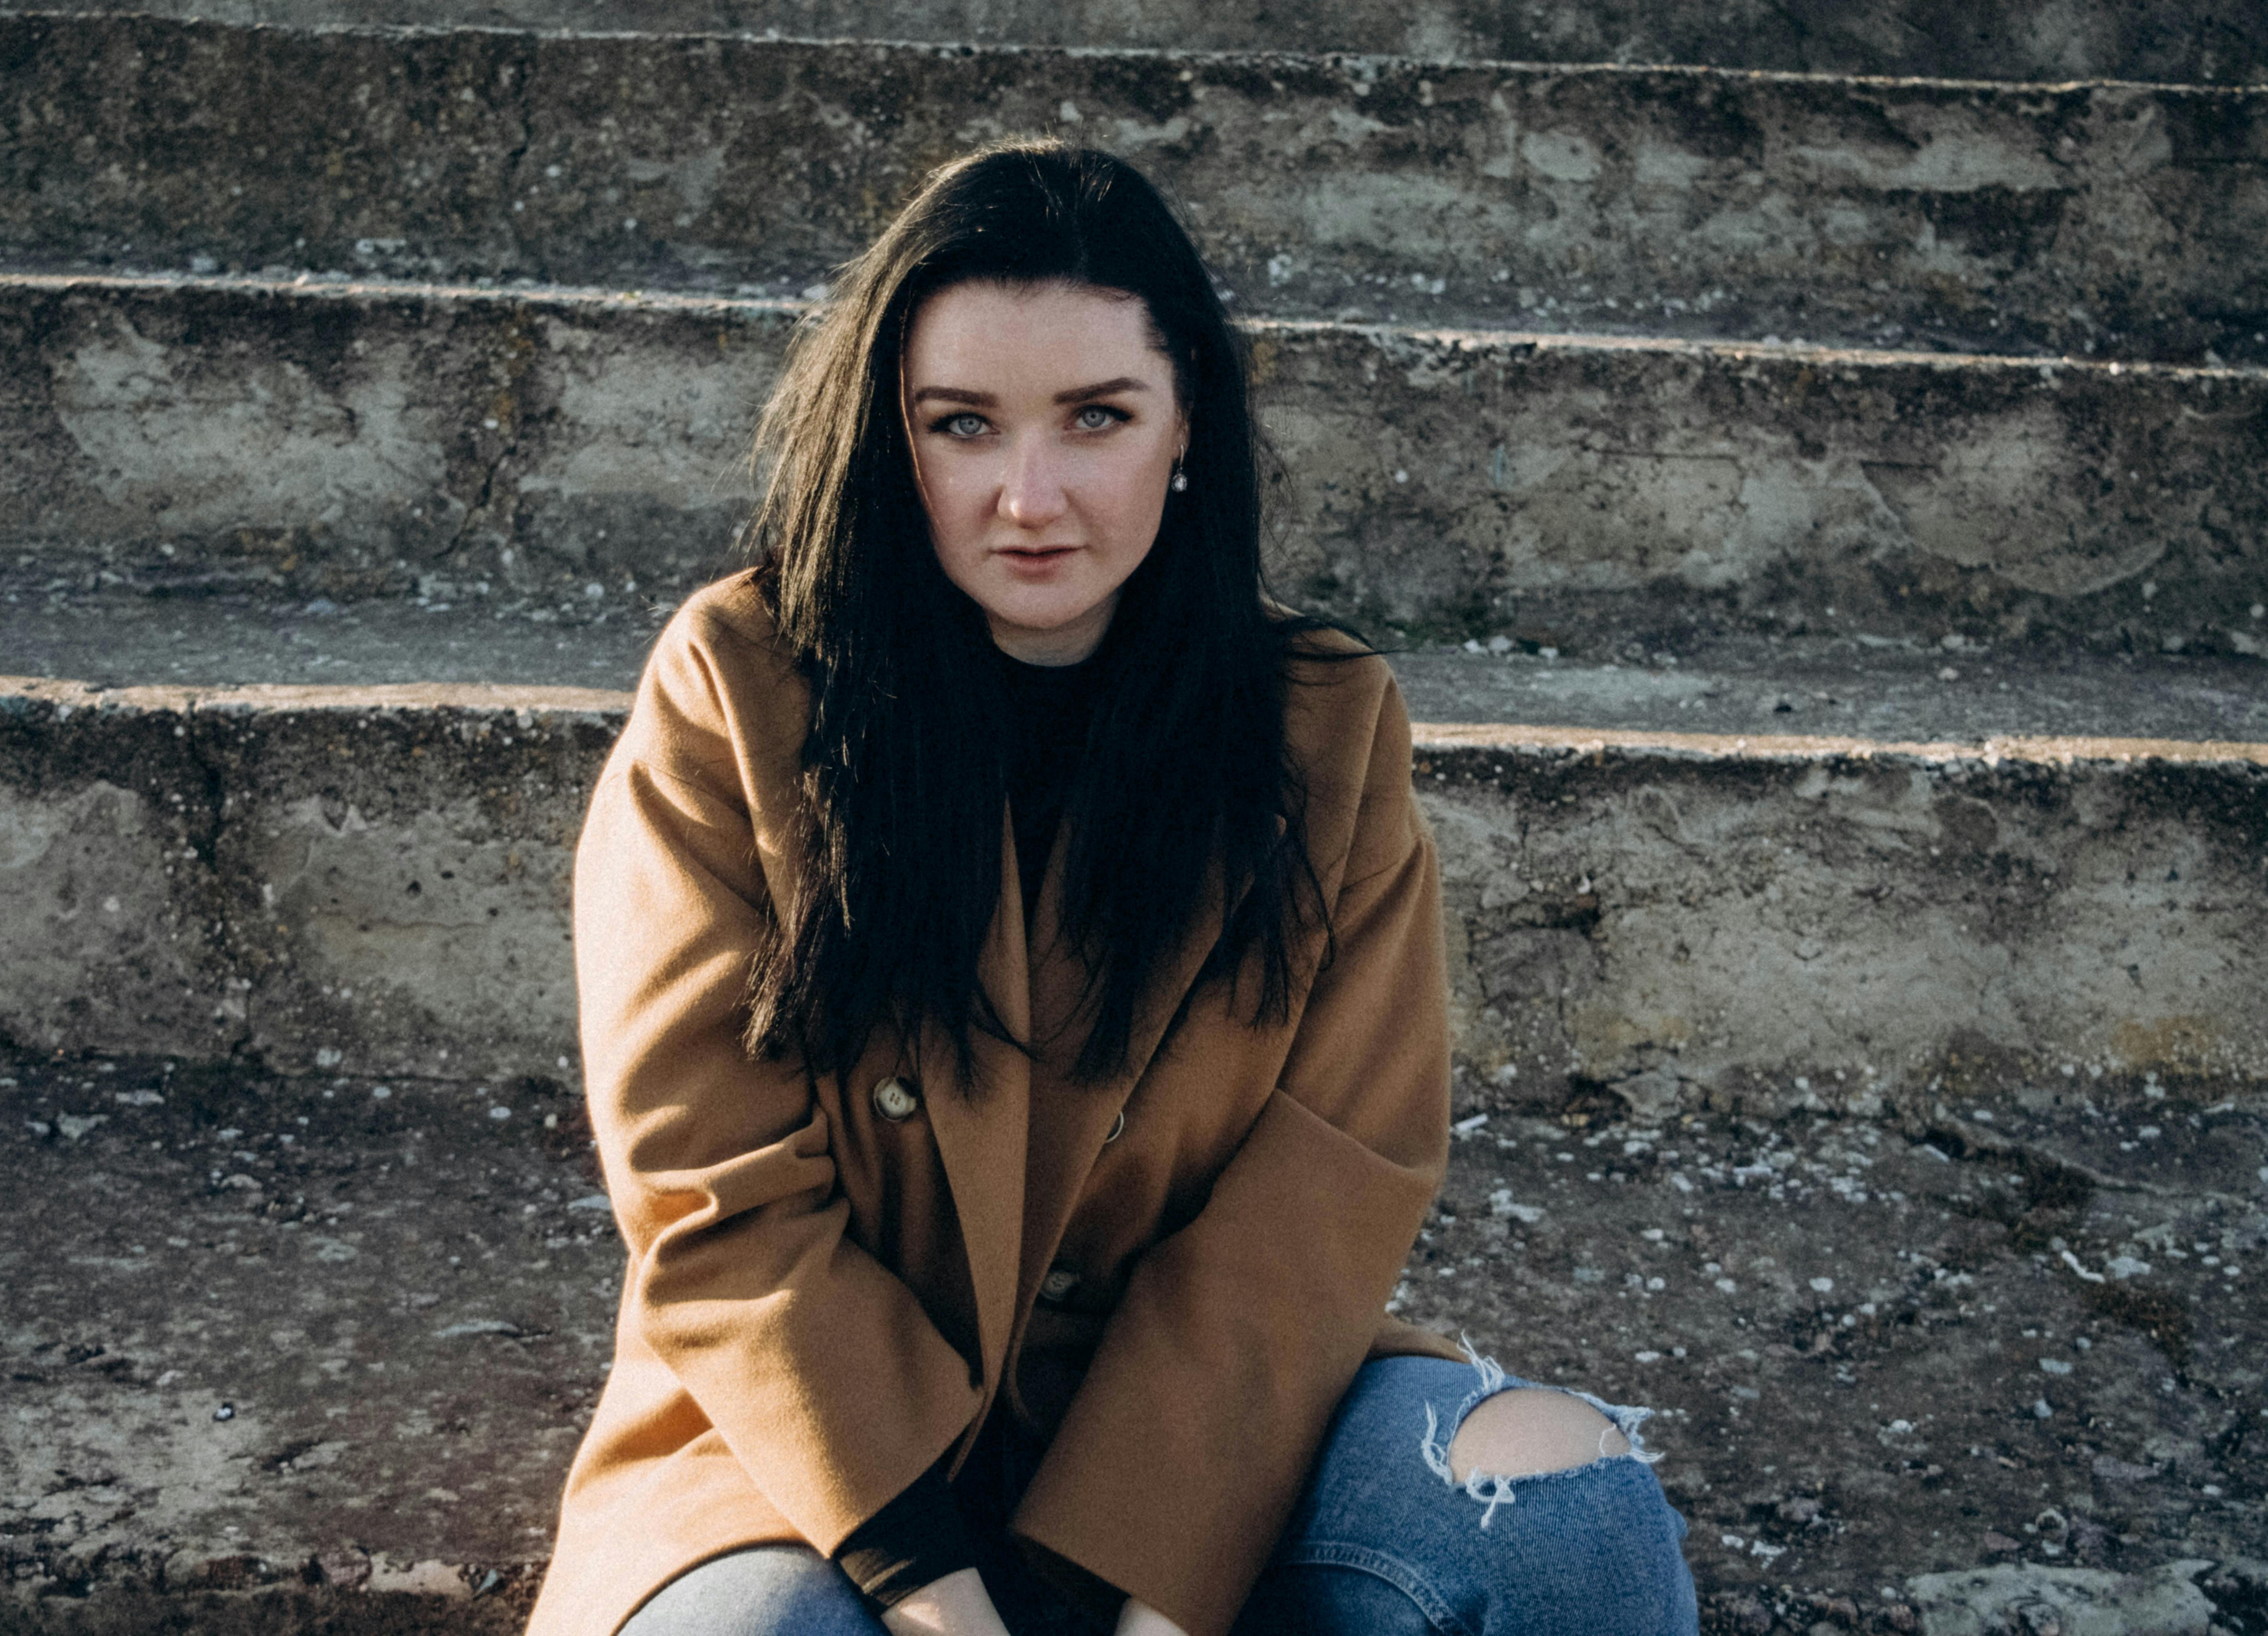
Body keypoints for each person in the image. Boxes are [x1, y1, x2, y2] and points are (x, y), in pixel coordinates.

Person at [524, 139, 1697, 1636]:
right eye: (963, 426)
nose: (1031, 498)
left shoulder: (1321, 722)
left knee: (1567, 1533)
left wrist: (1150, 1594)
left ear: (1184, 422)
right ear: (896, 441)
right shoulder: (739, 688)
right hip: (816, 1463)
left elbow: (1329, 1185)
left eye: (1096, 418)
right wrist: (941, 1602)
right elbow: (714, 1193)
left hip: (1208, 1439)